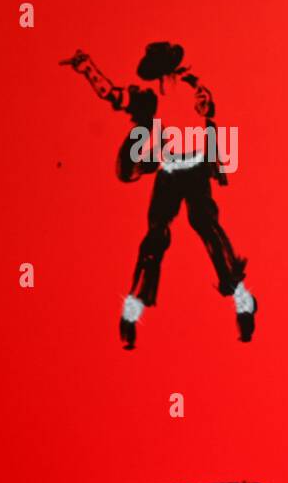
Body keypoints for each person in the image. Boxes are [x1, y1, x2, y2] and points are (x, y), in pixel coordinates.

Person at [64, 42, 258, 348]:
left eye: (166, 72)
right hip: (170, 173)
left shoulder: (195, 91)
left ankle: (242, 300)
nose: (165, 78)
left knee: (208, 229)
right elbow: (111, 94)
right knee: (156, 237)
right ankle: (133, 310)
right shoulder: (149, 98)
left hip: (194, 171)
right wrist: (87, 68)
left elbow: (211, 116)